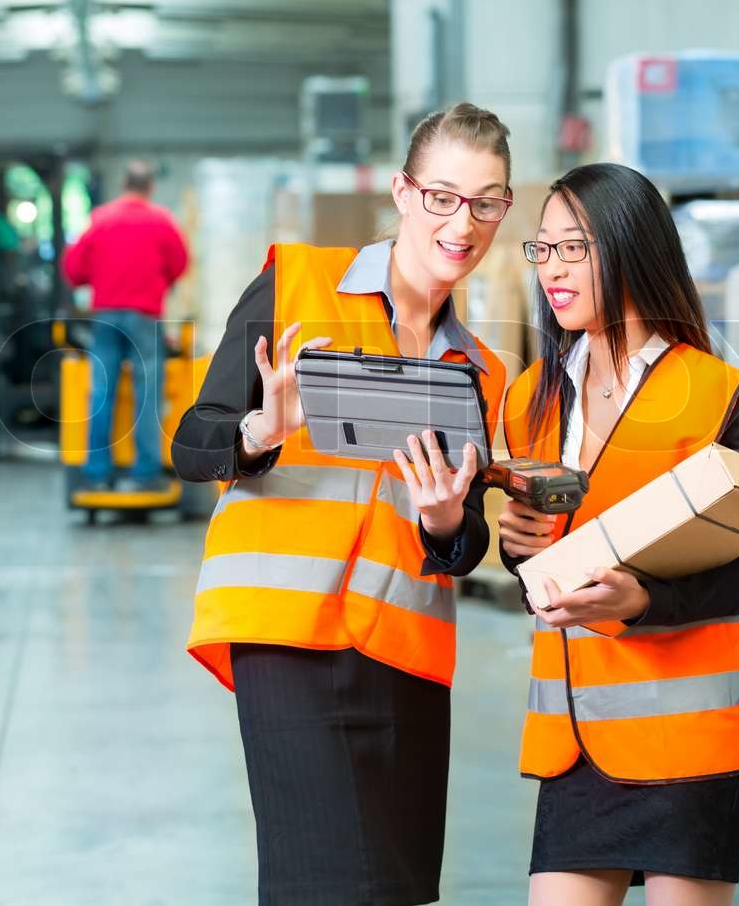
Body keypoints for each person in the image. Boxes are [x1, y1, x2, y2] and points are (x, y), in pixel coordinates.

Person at [172, 103, 513, 905]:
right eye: (442, 195)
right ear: (402, 192)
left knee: (394, 885)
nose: (462, 223)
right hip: (285, 633)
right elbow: (194, 442)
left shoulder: (482, 369)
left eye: (487, 201)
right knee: (320, 880)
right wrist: (265, 424)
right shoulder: (296, 283)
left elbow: (463, 544)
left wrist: (440, 519)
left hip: (404, 652)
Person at [499, 162, 739, 906]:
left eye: (574, 247)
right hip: (574, 742)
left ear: (630, 248)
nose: (552, 268)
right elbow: (536, 563)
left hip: (687, 741)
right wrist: (517, 547)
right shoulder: (532, 397)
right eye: (543, 249)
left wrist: (639, 598)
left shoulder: (714, 394)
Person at [62, 160, 190, 492]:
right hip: (145, 316)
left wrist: (100, 278)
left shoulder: (100, 219)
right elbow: (180, 263)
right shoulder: (161, 221)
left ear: (124, 184)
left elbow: (73, 268)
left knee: (102, 391)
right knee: (147, 393)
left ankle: (96, 474)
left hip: (105, 316)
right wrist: (159, 281)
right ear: (150, 187)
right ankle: (145, 473)